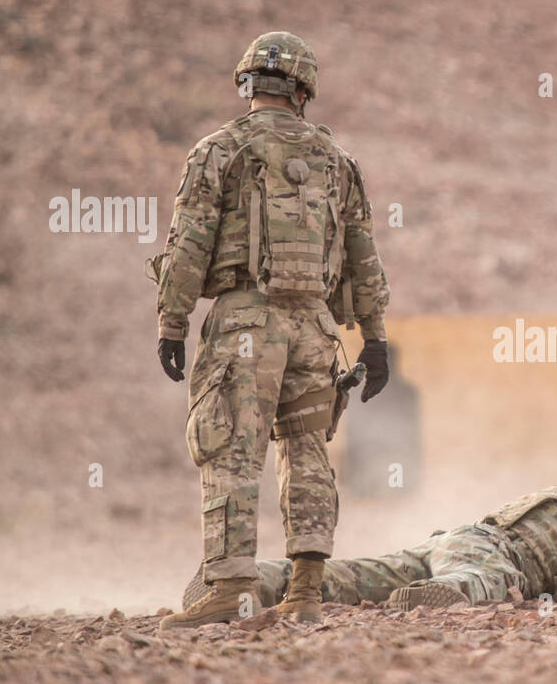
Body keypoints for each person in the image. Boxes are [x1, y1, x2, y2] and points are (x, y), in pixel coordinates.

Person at [150, 31, 391, 630]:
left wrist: (172, 322)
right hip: (315, 325)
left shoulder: (219, 149)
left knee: (231, 447)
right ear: (304, 91)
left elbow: (189, 245)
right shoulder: (338, 161)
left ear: (247, 85)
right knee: (307, 449)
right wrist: (378, 338)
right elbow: (364, 254)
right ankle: (306, 591)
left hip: (245, 321)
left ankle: (232, 587)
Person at [181, 422, 557, 612]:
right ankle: (446, 594)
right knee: (483, 581)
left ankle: (254, 578)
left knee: (355, 576)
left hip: (457, 537)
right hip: (487, 555)